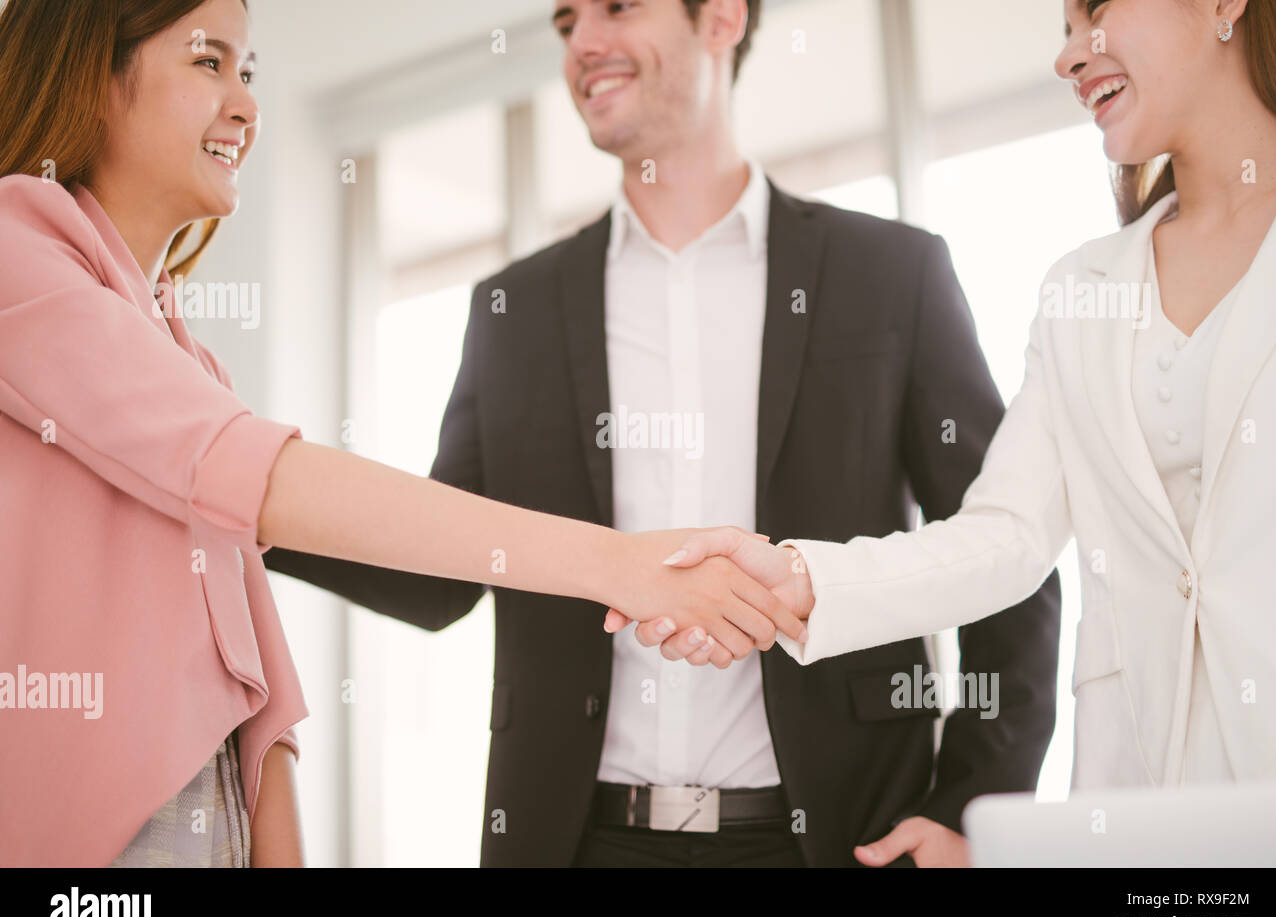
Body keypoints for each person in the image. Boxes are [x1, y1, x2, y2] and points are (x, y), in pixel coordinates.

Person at [0, 0, 802, 867]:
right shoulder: (15, 252)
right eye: (210, 64)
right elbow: (258, 478)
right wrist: (626, 564)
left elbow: (257, 690)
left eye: (251, 73)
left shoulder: (192, 362)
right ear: (90, 70)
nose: (246, 106)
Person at [264, 0, 1061, 868]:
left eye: (616, 8)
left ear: (721, 17)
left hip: (842, 842)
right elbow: (441, 576)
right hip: (576, 844)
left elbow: (1005, 556)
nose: (584, 45)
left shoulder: (890, 275)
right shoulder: (513, 309)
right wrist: (249, 492)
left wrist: (970, 804)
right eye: (567, 23)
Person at [640, 0, 1276, 810]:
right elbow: (1007, 537)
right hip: (1144, 810)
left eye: (1093, 10)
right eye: (1062, 30)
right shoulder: (1080, 291)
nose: (1067, 58)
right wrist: (801, 576)